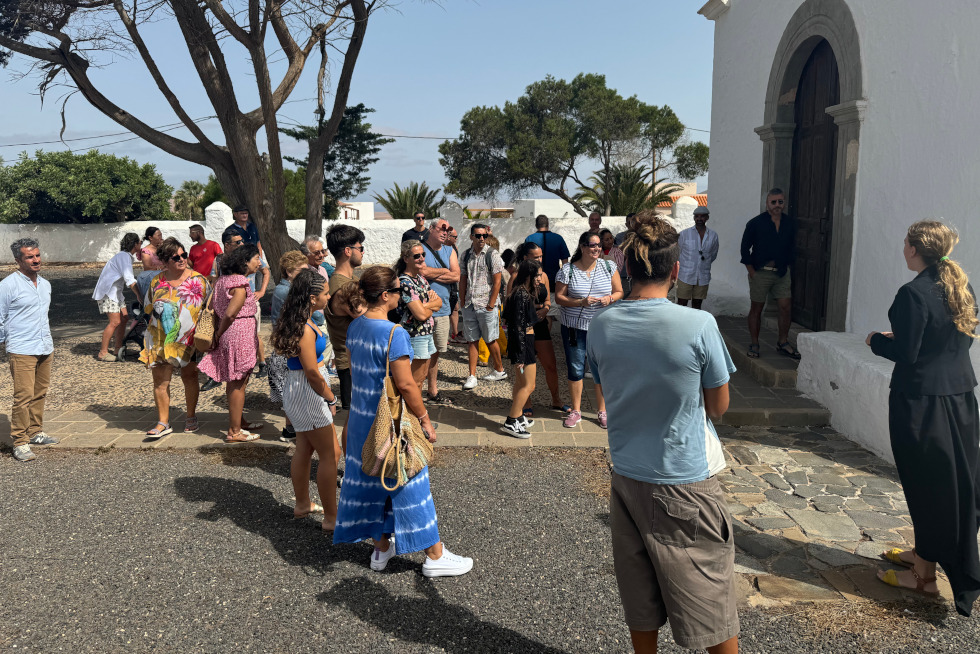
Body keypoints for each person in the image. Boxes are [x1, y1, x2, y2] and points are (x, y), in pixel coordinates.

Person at [587, 211, 738, 654]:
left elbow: (608, 388)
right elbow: (718, 406)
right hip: (683, 479)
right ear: (675, 270)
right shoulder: (698, 325)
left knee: (640, 593)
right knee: (709, 600)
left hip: (627, 474)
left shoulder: (602, 325)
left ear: (624, 268)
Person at [867, 220, 980, 617]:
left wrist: (876, 340)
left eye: (905, 243)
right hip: (961, 399)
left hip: (921, 404)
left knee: (924, 483)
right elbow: (949, 339)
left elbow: (908, 353)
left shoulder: (913, 293)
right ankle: (923, 553)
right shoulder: (960, 285)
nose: (902, 248)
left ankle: (924, 576)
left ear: (915, 250)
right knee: (946, 482)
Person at [333, 266, 473, 577]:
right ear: (385, 296)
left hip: (360, 420)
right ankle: (435, 556)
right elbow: (407, 385)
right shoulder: (394, 334)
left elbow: (356, 375)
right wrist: (424, 419)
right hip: (390, 423)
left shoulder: (355, 326)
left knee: (370, 483)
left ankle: (381, 549)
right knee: (409, 482)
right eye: (398, 291)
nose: (402, 295)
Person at [271, 269, 341, 528]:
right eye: (324, 293)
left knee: (304, 447)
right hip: (308, 391)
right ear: (312, 298)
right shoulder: (305, 328)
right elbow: (312, 371)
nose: (328, 296)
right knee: (330, 454)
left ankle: (302, 504)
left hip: (299, 389)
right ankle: (331, 517)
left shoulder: (300, 319)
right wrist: (331, 397)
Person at [140, 237, 210, 439]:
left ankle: (191, 416)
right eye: (175, 257)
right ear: (164, 261)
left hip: (190, 341)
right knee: (161, 382)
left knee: (190, 377)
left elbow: (209, 309)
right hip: (160, 340)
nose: (181, 259)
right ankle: (163, 422)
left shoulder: (199, 280)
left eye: (183, 255)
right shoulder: (156, 281)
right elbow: (148, 308)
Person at [555, 231, 623, 429]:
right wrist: (580, 302)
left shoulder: (609, 266)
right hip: (574, 328)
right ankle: (576, 411)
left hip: (602, 328)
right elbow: (559, 298)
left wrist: (609, 298)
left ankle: (602, 411)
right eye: (592, 245)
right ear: (583, 247)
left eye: (599, 245)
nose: (597, 249)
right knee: (576, 368)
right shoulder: (567, 270)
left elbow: (619, 292)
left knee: (601, 369)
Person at [199, 245, 264, 442]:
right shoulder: (241, 282)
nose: (259, 262)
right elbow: (230, 313)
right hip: (238, 334)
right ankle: (235, 431)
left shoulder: (222, 280)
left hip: (230, 335)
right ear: (245, 261)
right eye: (256, 258)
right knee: (238, 382)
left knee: (234, 381)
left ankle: (239, 421)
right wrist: (219, 333)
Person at [0, 238, 57, 462]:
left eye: (37, 255)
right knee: (22, 397)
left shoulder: (45, 284)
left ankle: (35, 432)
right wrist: (5, 344)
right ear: (18, 260)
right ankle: (20, 442)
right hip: (22, 348)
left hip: (45, 346)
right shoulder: (7, 286)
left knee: (39, 393)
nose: (36, 260)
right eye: (29, 257)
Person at [505, 242, 567, 416]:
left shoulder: (543, 275)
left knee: (550, 365)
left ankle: (556, 399)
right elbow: (509, 306)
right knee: (523, 372)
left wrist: (545, 310)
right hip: (523, 328)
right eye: (535, 257)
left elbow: (548, 300)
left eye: (541, 256)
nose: (540, 259)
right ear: (525, 258)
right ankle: (525, 404)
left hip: (539, 324)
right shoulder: (516, 277)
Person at [740, 188, 798, 359]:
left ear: (784, 203)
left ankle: (783, 342)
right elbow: (744, 248)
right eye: (773, 202)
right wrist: (751, 271)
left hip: (781, 273)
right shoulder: (755, 223)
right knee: (757, 309)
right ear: (767, 203)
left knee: (785, 307)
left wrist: (789, 265)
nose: (777, 205)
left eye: (780, 201)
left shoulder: (790, 223)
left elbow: (792, 246)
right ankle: (755, 343)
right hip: (760, 273)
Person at [458, 223, 507, 390]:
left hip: (486, 304)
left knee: (490, 339)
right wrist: (462, 301)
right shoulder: (465, 255)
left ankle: (499, 370)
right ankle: (472, 376)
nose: (481, 239)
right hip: (470, 304)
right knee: (471, 341)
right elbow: (463, 278)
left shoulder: (492, 255)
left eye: (484, 236)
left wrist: (491, 304)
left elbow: (498, 281)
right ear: (471, 236)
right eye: (478, 236)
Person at [270, 250, 310, 442]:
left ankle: (291, 428)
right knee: (290, 390)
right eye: (301, 270)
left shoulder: (287, 289)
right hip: (287, 347)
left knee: (291, 389)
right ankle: (291, 428)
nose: (305, 274)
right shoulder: (285, 291)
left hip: (287, 344)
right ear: (289, 271)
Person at [325, 224, 366, 409]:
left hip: (358, 358)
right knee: (355, 417)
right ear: (348, 251)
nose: (363, 252)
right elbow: (368, 317)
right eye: (361, 248)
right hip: (350, 363)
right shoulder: (342, 288)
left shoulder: (352, 281)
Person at [501, 259, 542, 438]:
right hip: (524, 342)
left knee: (520, 382)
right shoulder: (521, 295)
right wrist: (519, 355)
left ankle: (517, 416)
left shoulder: (522, 292)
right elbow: (517, 326)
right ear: (529, 276)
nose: (540, 279)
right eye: (538, 275)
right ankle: (511, 421)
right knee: (529, 384)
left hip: (525, 340)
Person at [420, 219, 459, 405]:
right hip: (421, 310)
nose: (445, 232)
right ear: (431, 229)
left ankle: (432, 389)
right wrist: (444, 271)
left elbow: (456, 275)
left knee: (435, 352)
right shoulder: (419, 249)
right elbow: (421, 271)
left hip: (443, 309)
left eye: (448, 230)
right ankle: (416, 388)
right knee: (420, 352)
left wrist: (433, 272)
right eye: (442, 229)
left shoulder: (449, 250)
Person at [396, 240, 442, 394]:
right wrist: (429, 305)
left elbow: (439, 302)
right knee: (415, 381)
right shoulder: (405, 283)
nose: (422, 258)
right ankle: (413, 414)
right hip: (415, 335)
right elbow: (420, 315)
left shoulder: (420, 279)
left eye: (423, 254)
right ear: (406, 258)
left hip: (426, 333)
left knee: (421, 378)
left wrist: (425, 305)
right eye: (417, 256)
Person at [92, 232, 140, 362]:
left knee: (124, 318)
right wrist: (139, 295)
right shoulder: (124, 257)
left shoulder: (126, 256)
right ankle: (103, 352)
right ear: (135, 244)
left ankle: (118, 348)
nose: (141, 245)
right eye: (140, 243)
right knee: (115, 322)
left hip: (116, 293)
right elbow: (129, 279)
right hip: (108, 293)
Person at [677, 205, 720, 310]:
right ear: (694, 218)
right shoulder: (684, 234)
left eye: (702, 216)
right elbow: (677, 252)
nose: (699, 219)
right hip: (685, 275)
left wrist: (703, 263)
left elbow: (713, 254)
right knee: (682, 303)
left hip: (703, 276)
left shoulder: (713, 235)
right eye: (697, 216)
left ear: (707, 218)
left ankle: (694, 325)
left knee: (697, 305)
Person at [524, 214, 570, 288]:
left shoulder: (529, 239)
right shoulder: (558, 238)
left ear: (536, 225)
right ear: (548, 225)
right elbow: (565, 263)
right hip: (554, 279)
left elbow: (524, 261)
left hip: (534, 279)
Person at [445, 227, 463, 341]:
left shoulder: (454, 248)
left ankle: (455, 333)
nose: (456, 239)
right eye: (454, 237)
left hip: (454, 281)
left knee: (455, 307)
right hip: (446, 280)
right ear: (448, 236)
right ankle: (444, 336)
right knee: (447, 309)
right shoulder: (441, 248)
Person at [138, 226, 165, 297]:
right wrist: (160, 268)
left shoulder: (163, 247)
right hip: (154, 279)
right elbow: (147, 267)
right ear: (151, 238)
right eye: (158, 235)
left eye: (161, 235)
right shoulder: (146, 251)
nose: (161, 237)